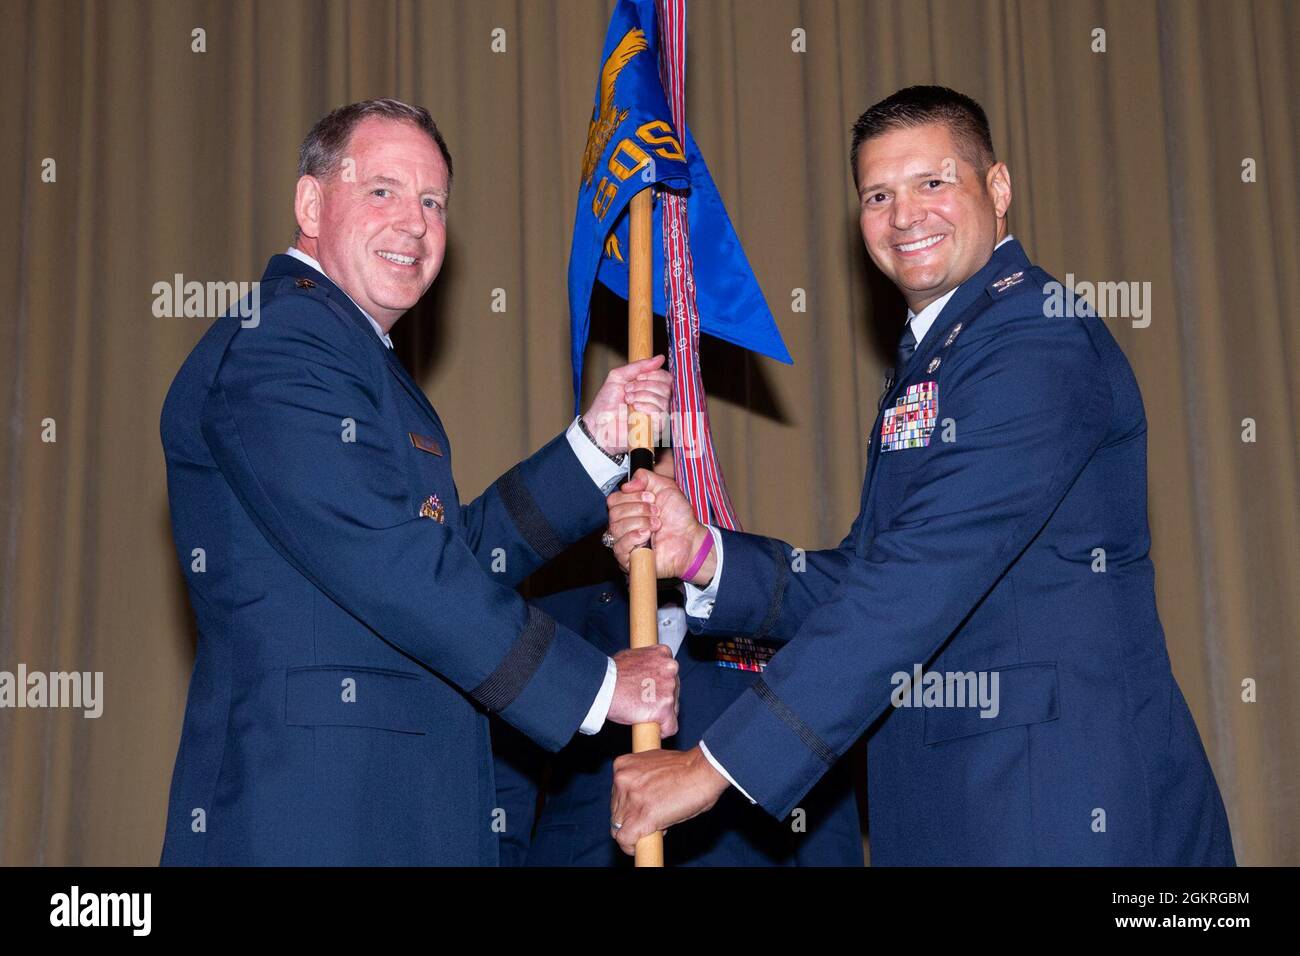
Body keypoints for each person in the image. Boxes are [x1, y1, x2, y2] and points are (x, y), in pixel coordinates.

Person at [604, 86, 1235, 866]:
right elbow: (874, 575)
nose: (905, 216)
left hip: (1057, 808)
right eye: (878, 194)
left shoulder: (1035, 341)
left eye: (933, 182)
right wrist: (703, 555)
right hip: (964, 804)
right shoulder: (947, 351)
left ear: (997, 190)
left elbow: (915, 582)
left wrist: (713, 767)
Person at [159, 98, 678, 865]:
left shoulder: (347, 351)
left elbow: (444, 556)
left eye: (433, 201)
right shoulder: (283, 342)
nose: (414, 222)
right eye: (383, 191)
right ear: (310, 202)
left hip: (387, 810)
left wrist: (593, 447)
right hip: (316, 820)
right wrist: (597, 686)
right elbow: (393, 565)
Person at [493, 456, 863, 866]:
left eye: (670, 489)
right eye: (639, 493)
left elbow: (817, 774)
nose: (653, 510)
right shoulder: (549, 619)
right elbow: (506, 794)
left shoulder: (769, 612)